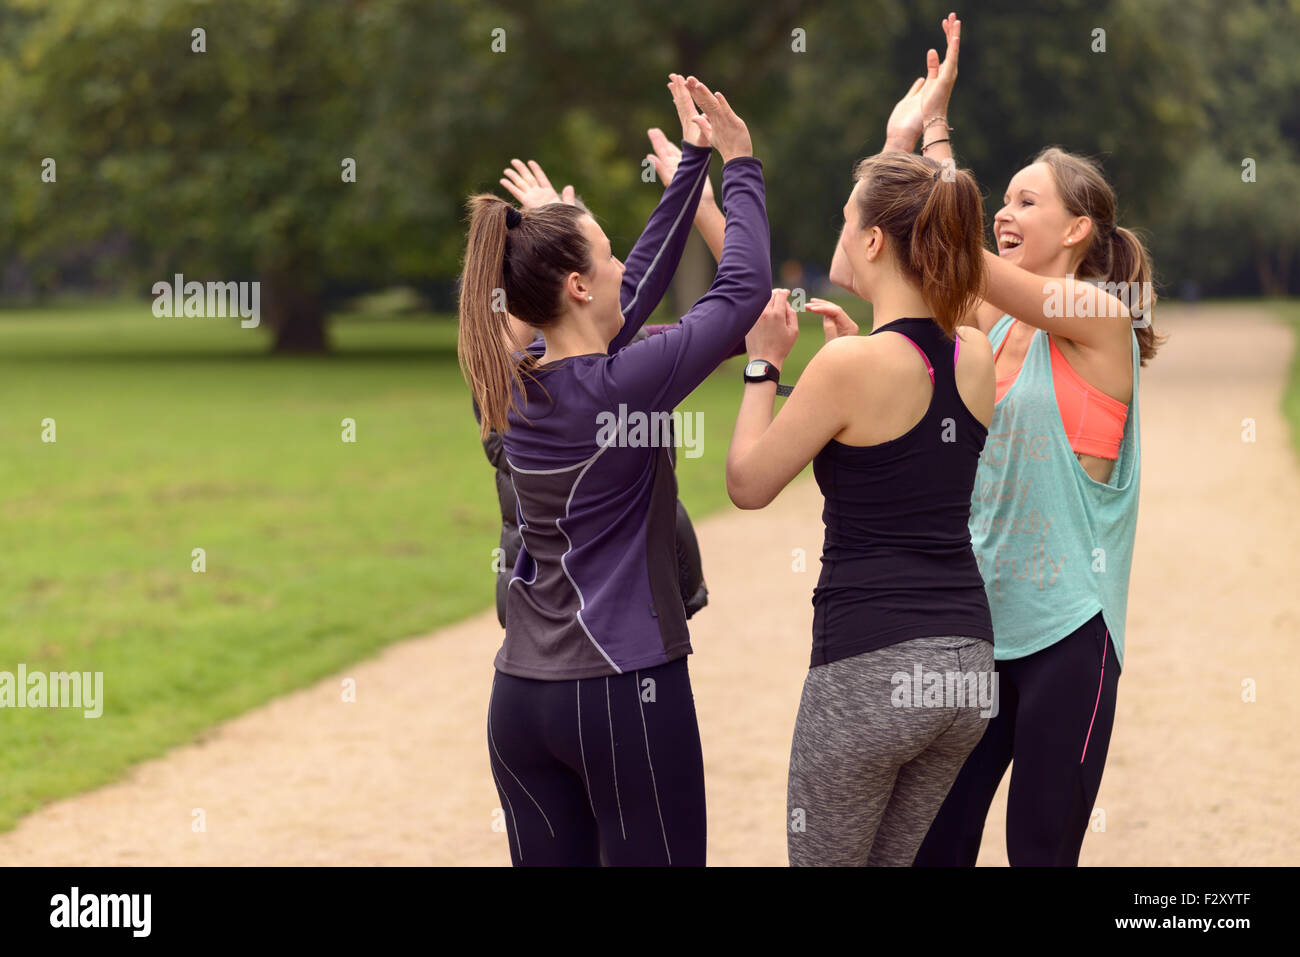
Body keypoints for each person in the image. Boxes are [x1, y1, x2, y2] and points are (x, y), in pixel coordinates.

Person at [457, 75, 770, 866]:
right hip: (623, 690)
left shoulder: (509, 379)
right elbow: (741, 292)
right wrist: (740, 162)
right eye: (605, 253)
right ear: (575, 285)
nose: (624, 263)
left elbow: (631, 290)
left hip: (521, 699)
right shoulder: (626, 381)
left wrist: (693, 161)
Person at [907, 14, 1166, 866]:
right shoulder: (995, 325)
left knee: (1040, 852)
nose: (1005, 213)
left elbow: (962, 253)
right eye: (1003, 200)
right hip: (984, 628)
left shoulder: (1100, 318)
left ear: (1077, 230)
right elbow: (950, 267)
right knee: (937, 843)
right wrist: (931, 129)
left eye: (1026, 201)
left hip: (1070, 635)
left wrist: (932, 146)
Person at [724, 124, 997, 863]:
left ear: (874, 241)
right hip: (967, 669)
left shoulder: (851, 364)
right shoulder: (974, 353)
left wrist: (763, 368)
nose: (840, 233)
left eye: (848, 220)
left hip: (869, 663)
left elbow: (747, 482)